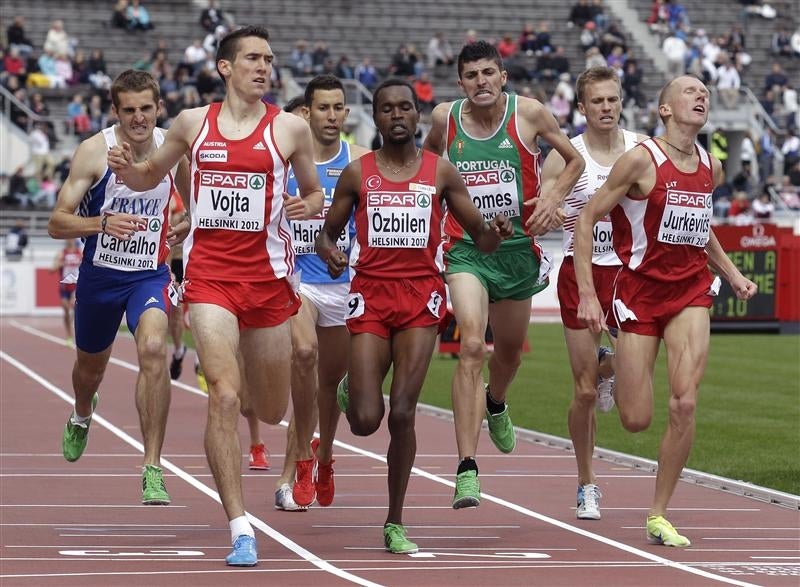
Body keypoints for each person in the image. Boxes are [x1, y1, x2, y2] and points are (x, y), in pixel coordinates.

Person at [107, 26, 323, 567]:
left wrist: (310, 204)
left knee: (269, 408)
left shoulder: (290, 128)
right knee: (224, 395)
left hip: (269, 283)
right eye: (253, 58)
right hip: (210, 280)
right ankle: (240, 527)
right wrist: (127, 170)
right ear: (225, 67)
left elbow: (314, 191)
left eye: (268, 58)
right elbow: (149, 175)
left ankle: (293, 442)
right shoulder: (192, 123)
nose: (264, 66)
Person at [317, 78, 511, 554]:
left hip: (421, 298)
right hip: (371, 295)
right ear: (376, 117)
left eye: (405, 107)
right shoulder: (357, 173)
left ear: (417, 115)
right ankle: (353, 387)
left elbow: (481, 238)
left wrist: (497, 231)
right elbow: (327, 234)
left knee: (403, 412)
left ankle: (394, 522)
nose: (397, 115)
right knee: (365, 420)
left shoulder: (440, 171)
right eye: (387, 109)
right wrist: (331, 254)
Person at [574, 75, 758, 547]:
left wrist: (732, 273)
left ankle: (658, 513)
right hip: (639, 293)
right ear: (665, 110)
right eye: (690, 91)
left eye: (705, 92)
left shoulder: (711, 166)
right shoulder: (641, 160)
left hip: (691, 291)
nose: (702, 96)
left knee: (685, 402)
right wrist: (589, 294)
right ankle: (608, 363)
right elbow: (588, 217)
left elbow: (700, 226)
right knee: (635, 419)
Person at [422, 40, 584, 508]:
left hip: (516, 252)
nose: (482, 82)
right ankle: (466, 469)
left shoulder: (529, 114)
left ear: (503, 77)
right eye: (472, 75)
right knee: (472, 344)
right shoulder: (445, 119)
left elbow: (574, 160)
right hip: (466, 248)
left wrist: (552, 197)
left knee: (508, 355)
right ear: (461, 83)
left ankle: (496, 401)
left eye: (488, 73)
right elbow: (426, 167)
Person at [47, 69, 191, 508]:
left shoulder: (174, 149)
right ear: (115, 111)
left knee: (153, 349)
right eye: (129, 110)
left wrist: (185, 224)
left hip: (149, 275)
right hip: (100, 278)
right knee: (89, 371)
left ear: (159, 107)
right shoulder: (94, 151)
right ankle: (82, 412)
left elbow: (192, 205)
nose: (139, 118)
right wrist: (101, 223)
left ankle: (152, 467)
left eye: (146, 108)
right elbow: (57, 222)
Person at [541, 66, 647, 521]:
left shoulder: (644, 150)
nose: (606, 107)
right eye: (597, 101)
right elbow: (544, 206)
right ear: (582, 107)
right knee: (584, 392)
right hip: (578, 273)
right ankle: (587, 483)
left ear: (621, 102)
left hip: (630, 274)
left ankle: (609, 365)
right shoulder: (566, 155)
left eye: (612, 99)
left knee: (635, 376)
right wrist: (551, 209)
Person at [280, 75, 370, 510]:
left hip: (345, 285)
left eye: (338, 108)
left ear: (346, 113)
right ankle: (301, 457)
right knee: (303, 353)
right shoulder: (284, 163)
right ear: (306, 113)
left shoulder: (360, 161)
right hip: (299, 282)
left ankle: (326, 455)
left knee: (331, 384)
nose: (331, 116)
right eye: (322, 108)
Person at [52, 239, 83, 347]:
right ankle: (69, 335)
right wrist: (61, 263)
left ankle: (78, 334)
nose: (70, 240)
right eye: (68, 239)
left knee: (74, 307)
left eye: (72, 238)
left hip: (76, 286)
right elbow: (52, 269)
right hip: (64, 287)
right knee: (66, 310)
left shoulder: (80, 252)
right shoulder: (62, 253)